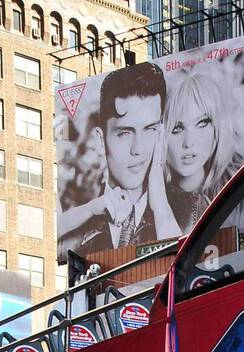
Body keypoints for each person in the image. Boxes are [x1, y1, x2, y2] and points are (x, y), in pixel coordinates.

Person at [58, 64, 167, 254]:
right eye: (124, 133)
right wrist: (91, 209)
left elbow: (189, 268)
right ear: (101, 140)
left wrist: (160, 203)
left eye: (150, 129)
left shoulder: (192, 206)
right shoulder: (74, 219)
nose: (138, 149)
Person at [147, 66, 242, 240]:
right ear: (160, 135)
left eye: (201, 123)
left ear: (217, 129)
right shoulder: (144, 203)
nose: (189, 142)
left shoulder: (240, 194)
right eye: (177, 128)